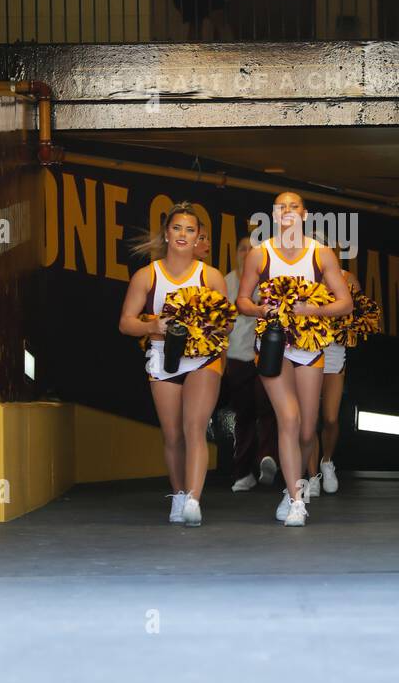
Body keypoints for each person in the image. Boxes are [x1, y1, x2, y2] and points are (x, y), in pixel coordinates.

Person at [236, 193, 352, 527]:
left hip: (310, 345)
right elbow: (242, 299)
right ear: (272, 214)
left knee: (305, 430)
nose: (287, 211)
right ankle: (296, 500)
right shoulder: (260, 254)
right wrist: (260, 309)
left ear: (304, 214)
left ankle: (294, 486)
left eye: (293, 206)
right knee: (287, 418)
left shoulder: (321, 253)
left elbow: (344, 303)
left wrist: (313, 309)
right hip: (273, 345)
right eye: (280, 206)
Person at [118, 202, 227, 526]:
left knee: (195, 428)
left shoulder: (211, 276)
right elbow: (125, 323)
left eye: (190, 230)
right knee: (173, 435)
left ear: (198, 239)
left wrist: (202, 325)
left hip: (203, 359)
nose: (183, 234)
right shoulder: (146, 275)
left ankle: (194, 499)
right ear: (166, 233)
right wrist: (154, 326)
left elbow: (228, 323)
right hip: (163, 359)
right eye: (177, 228)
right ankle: (179, 494)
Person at [222, 234, 280, 492]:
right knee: (243, 414)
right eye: (241, 248)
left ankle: (268, 458)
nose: (246, 253)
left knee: (268, 409)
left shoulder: (267, 282)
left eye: (251, 249)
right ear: (235, 253)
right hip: (236, 357)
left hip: (264, 354)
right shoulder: (225, 282)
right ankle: (243, 472)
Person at [306, 268, 361, 497]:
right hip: (307, 347)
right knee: (309, 419)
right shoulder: (302, 274)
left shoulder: (347, 278)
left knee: (330, 417)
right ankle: (312, 476)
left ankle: (327, 462)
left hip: (334, 349)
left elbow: (359, 314)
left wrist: (345, 322)